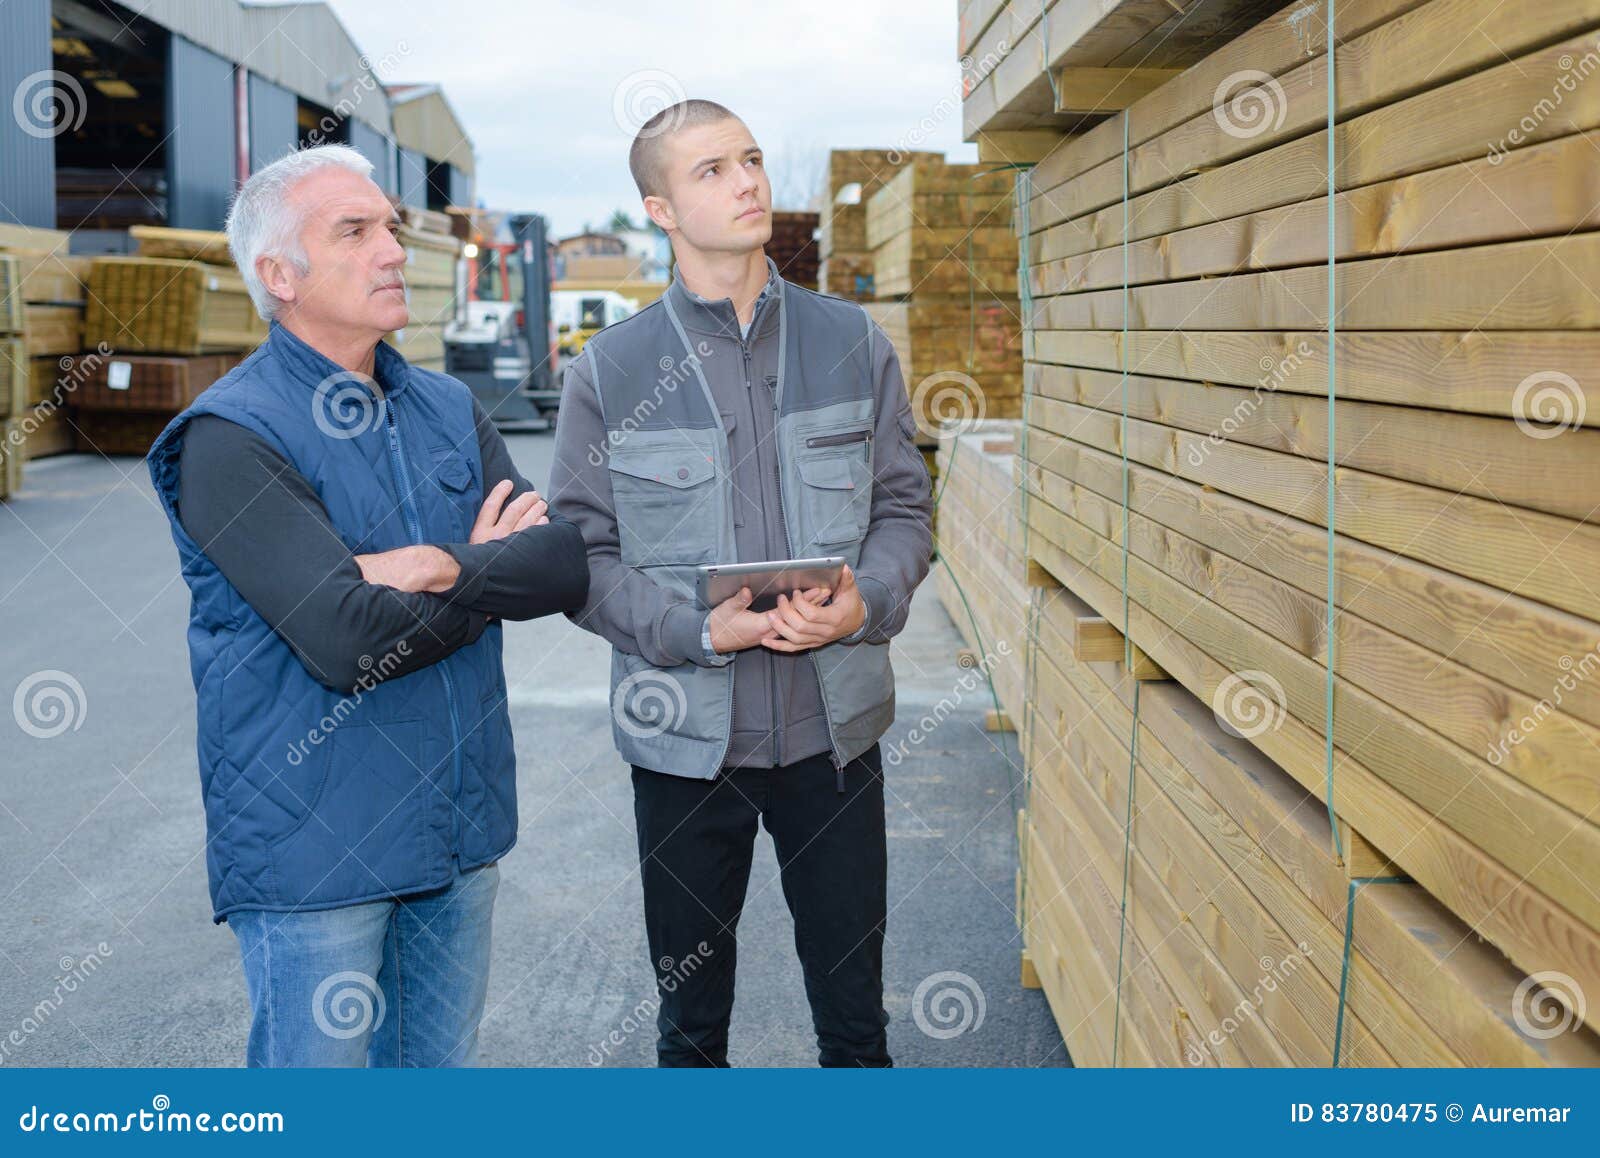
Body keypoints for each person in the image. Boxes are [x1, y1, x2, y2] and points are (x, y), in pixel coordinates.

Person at [146, 144, 589, 1067]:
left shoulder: (444, 404)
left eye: (389, 225)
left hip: (456, 835)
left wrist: (430, 567)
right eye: (356, 231)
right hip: (317, 858)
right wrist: (483, 569)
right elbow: (345, 639)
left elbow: (558, 570)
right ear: (281, 276)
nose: (393, 249)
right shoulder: (232, 436)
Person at [549, 100, 933, 1067]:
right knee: (690, 1034)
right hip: (684, 751)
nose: (749, 181)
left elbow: (904, 510)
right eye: (713, 170)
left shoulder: (853, 342)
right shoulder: (611, 370)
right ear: (661, 208)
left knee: (856, 1028)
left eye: (753, 159)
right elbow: (579, 557)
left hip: (832, 741)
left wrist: (866, 604)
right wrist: (692, 631)